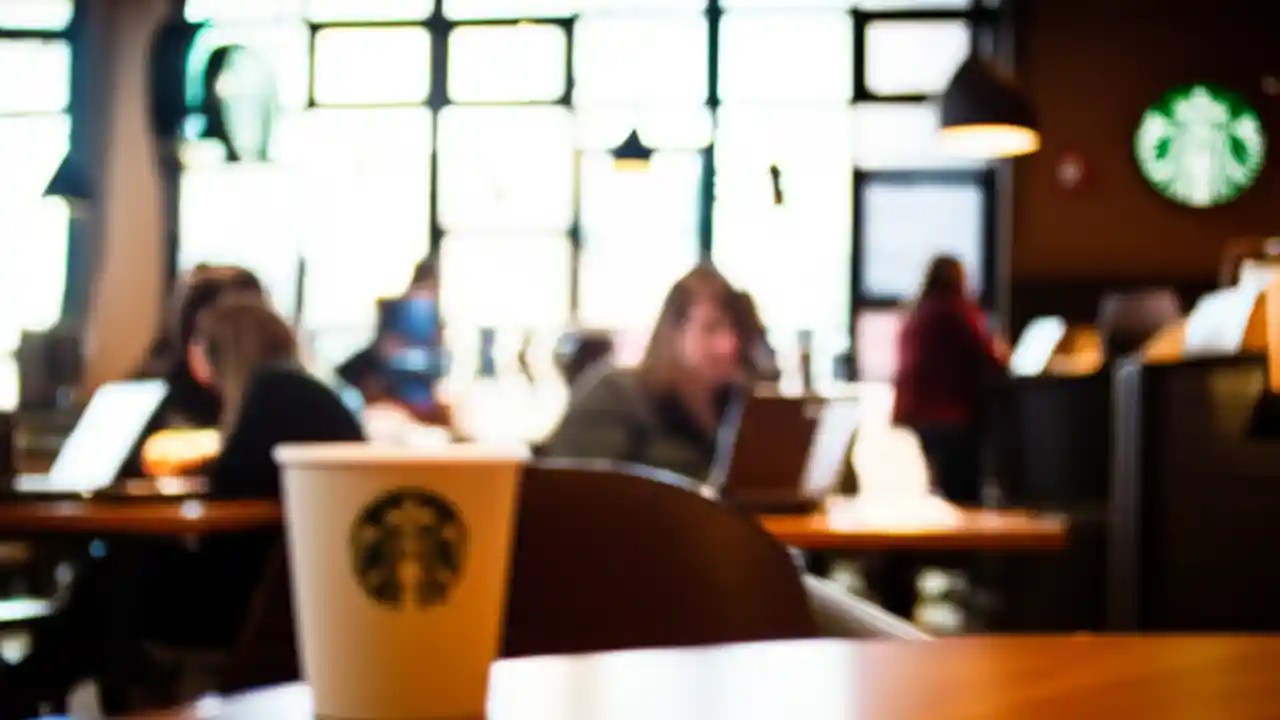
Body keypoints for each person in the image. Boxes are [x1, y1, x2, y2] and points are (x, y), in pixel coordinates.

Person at [0, 300, 362, 718]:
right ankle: (39, 685)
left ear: (214, 353)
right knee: (118, 570)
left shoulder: (274, 392)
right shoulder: (304, 392)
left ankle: (33, 688)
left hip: (247, 604)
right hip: (292, 596)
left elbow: (234, 485)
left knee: (118, 569)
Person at [545, 265, 746, 481]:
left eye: (736, 330)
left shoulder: (737, 403)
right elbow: (577, 492)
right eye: (711, 328)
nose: (729, 345)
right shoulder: (616, 395)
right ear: (673, 332)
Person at [893, 255, 1008, 505]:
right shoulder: (956, 312)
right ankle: (960, 542)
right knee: (962, 494)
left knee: (940, 487)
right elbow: (990, 357)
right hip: (949, 417)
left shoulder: (916, 312)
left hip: (916, 415)